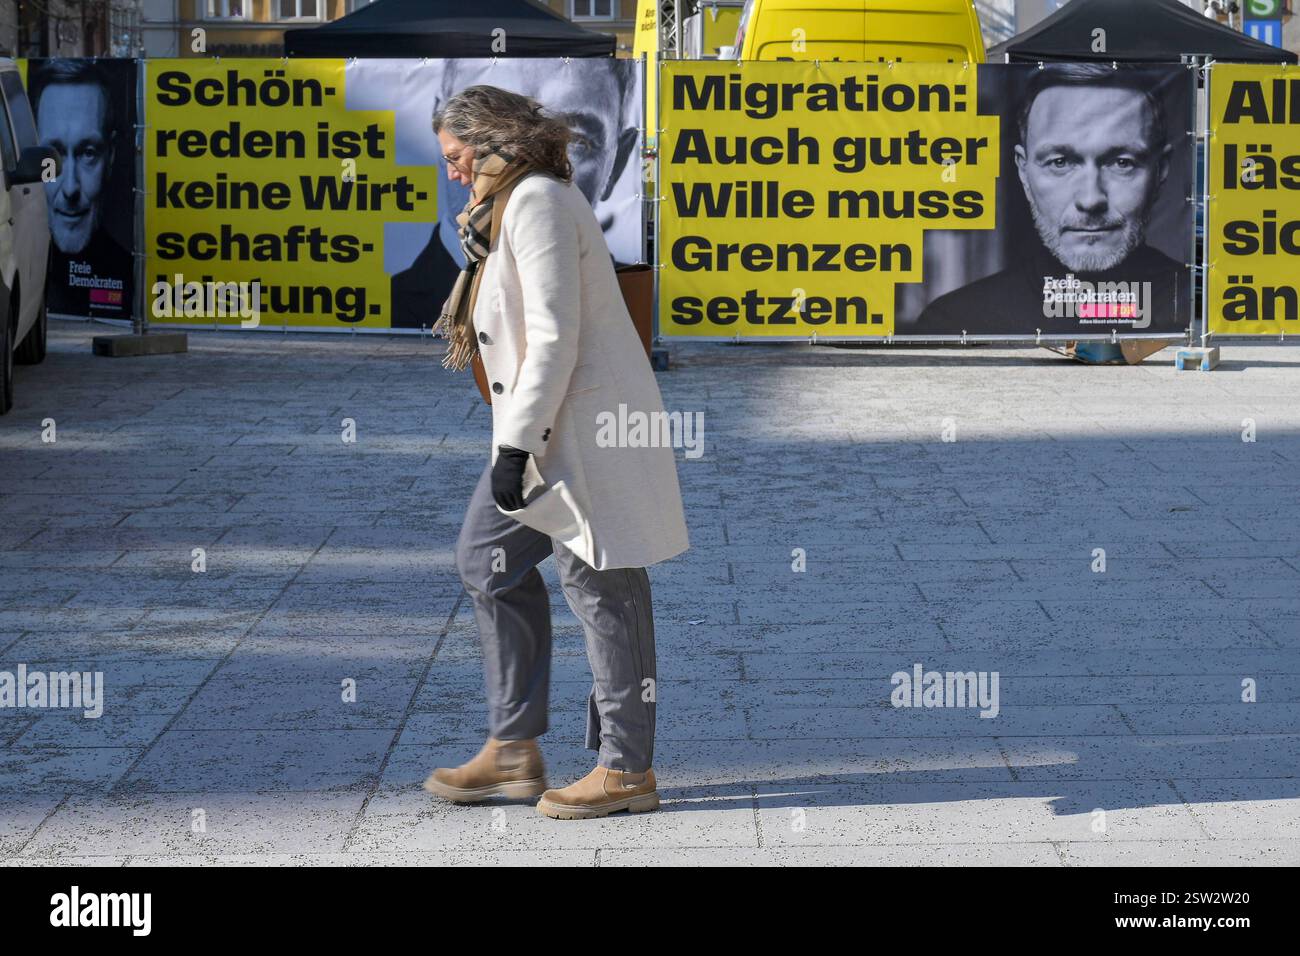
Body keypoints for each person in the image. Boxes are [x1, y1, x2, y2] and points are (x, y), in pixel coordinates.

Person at [421, 85, 689, 820]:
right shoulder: (506, 207)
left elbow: (553, 336)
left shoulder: (536, 201)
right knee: (488, 560)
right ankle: (513, 748)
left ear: (490, 142)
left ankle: (627, 770)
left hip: (576, 430)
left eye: (454, 155)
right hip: (544, 429)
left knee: (601, 584)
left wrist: (517, 448)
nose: (449, 171)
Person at [917, 63, 1187, 334]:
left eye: (1121, 162)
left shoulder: (1197, 310)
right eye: (1060, 162)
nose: (1090, 199)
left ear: (1161, 169)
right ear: (1023, 171)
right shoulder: (957, 322)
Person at [389, 59, 640, 329]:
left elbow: (550, 344)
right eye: (488, 137)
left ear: (618, 160)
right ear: (442, 132)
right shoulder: (394, 305)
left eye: (572, 139)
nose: (524, 164)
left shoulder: (630, 303)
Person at [30, 59, 133, 320]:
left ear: (110, 156)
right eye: (53, 154)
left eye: (88, 153)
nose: (71, 188)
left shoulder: (131, 275)